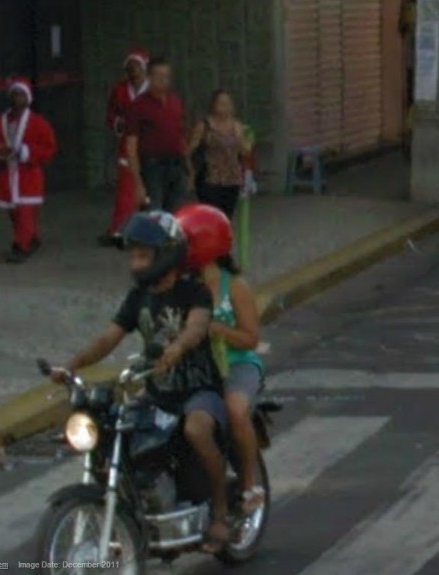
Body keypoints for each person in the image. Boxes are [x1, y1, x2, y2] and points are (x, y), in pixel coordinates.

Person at [48, 211, 232, 552]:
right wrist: (71, 366)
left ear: (167, 254)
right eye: (133, 255)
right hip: (157, 393)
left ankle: (220, 512)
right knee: (114, 432)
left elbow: (196, 327)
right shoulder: (138, 298)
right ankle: (136, 504)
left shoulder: (193, 291)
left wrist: (178, 346)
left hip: (197, 390)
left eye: (143, 255)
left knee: (196, 430)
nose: (135, 263)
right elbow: (108, 338)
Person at [200, 225, 265, 513]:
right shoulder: (183, 285)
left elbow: (251, 338)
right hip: (200, 367)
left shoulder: (235, 287)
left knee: (235, 409)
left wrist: (216, 330)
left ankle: (250, 485)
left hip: (238, 363)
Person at [0, 77, 57, 264]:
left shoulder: (39, 123)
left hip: (29, 174)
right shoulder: (0, 122)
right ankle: (31, 238)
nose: (17, 98)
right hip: (9, 174)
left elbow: (49, 148)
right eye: (14, 94)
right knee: (15, 212)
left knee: (25, 211)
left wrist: (25, 151)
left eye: (21, 94)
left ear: (28, 98)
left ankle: (21, 245)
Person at [99, 49, 150, 247]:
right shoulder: (119, 90)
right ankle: (119, 231)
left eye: (136, 66)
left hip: (150, 146)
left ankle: (144, 234)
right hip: (126, 146)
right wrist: (117, 123)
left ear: (144, 68)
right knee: (125, 191)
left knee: (149, 192)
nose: (132, 71)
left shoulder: (153, 89)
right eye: (129, 68)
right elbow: (110, 115)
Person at [125, 57, 189, 213]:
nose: (163, 80)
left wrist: (188, 166)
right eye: (158, 76)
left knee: (176, 215)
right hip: (153, 167)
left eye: (166, 76)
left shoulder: (175, 101)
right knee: (154, 215)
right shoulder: (138, 105)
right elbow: (131, 145)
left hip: (176, 165)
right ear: (149, 77)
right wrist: (138, 183)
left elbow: (180, 135)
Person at [187, 90, 251, 219]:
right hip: (210, 178)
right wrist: (191, 173)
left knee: (226, 216)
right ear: (213, 105)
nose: (224, 108)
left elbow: (245, 151)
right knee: (212, 216)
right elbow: (189, 150)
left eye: (227, 104)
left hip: (232, 178)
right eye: (221, 104)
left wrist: (240, 138)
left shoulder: (236, 126)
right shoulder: (204, 126)